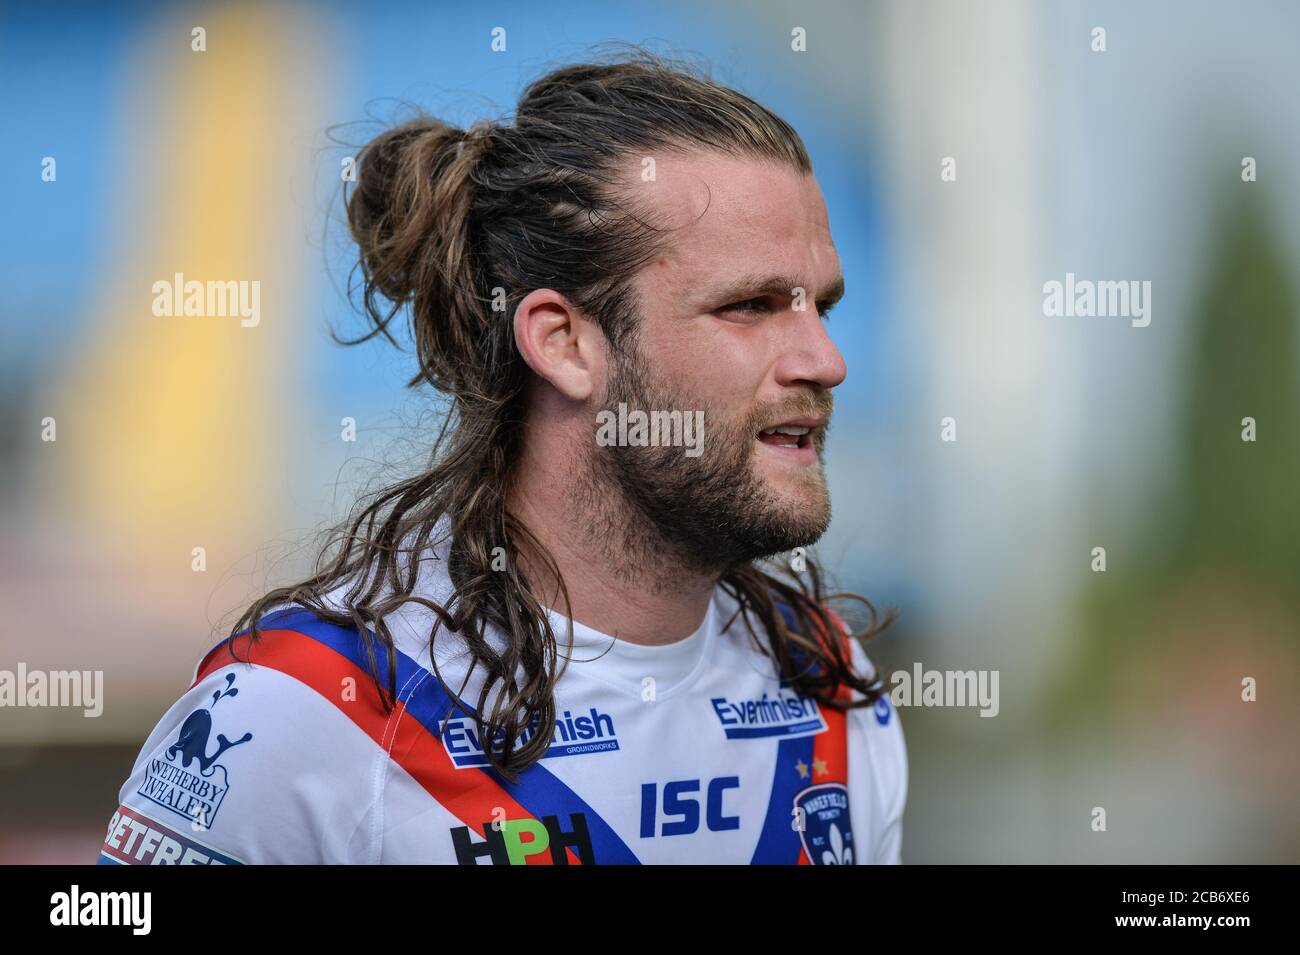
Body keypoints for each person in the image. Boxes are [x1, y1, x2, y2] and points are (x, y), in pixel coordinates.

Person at [98, 50, 905, 866]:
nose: (826, 359)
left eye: (821, 305)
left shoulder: (827, 685)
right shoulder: (304, 711)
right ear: (563, 343)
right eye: (752, 306)